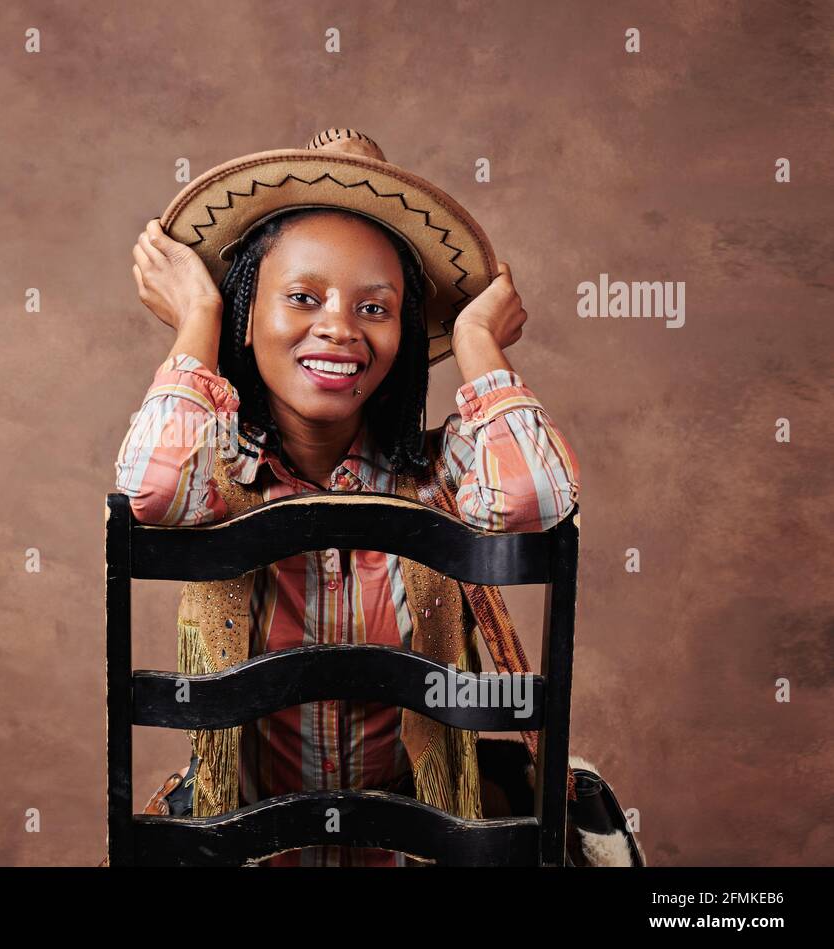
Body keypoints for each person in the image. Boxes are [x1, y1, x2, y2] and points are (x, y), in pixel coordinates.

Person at [114, 130, 580, 866]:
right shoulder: (217, 479)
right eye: (303, 296)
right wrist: (199, 319)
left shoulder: (440, 477)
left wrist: (477, 339)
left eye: (376, 307)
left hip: (420, 852)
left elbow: (537, 496)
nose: (338, 325)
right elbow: (154, 488)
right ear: (245, 316)